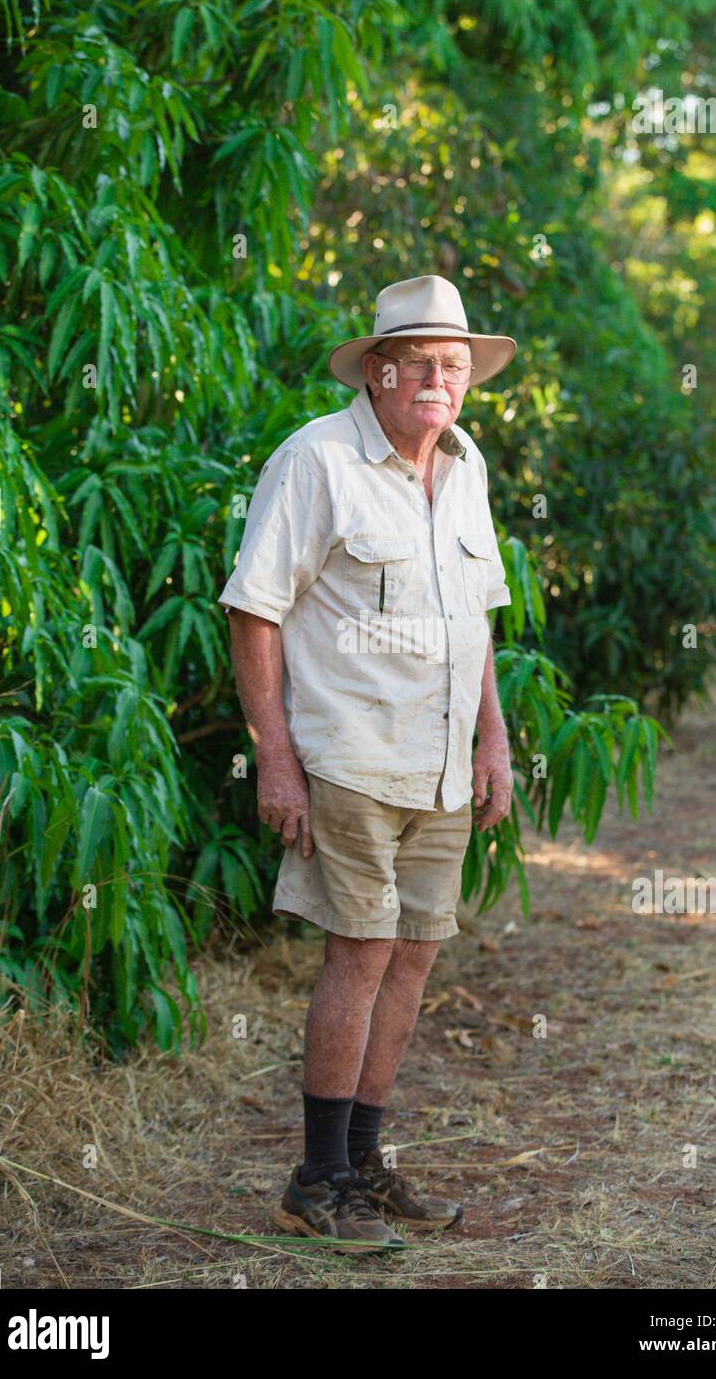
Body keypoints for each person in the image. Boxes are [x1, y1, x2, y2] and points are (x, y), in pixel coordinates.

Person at [218, 274, 517, 1250]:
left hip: (439, 766)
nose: (440, 380)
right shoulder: (316, 461)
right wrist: (275, 760)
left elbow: (470, 622)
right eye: (421, 363)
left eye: (455, 365)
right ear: (379, 372)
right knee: (360, 952)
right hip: (347, 757)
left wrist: (493, 740)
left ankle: (366, 1164)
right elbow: (253, 608)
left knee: (414, 955)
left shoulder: (464, 467)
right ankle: (316, 1177)